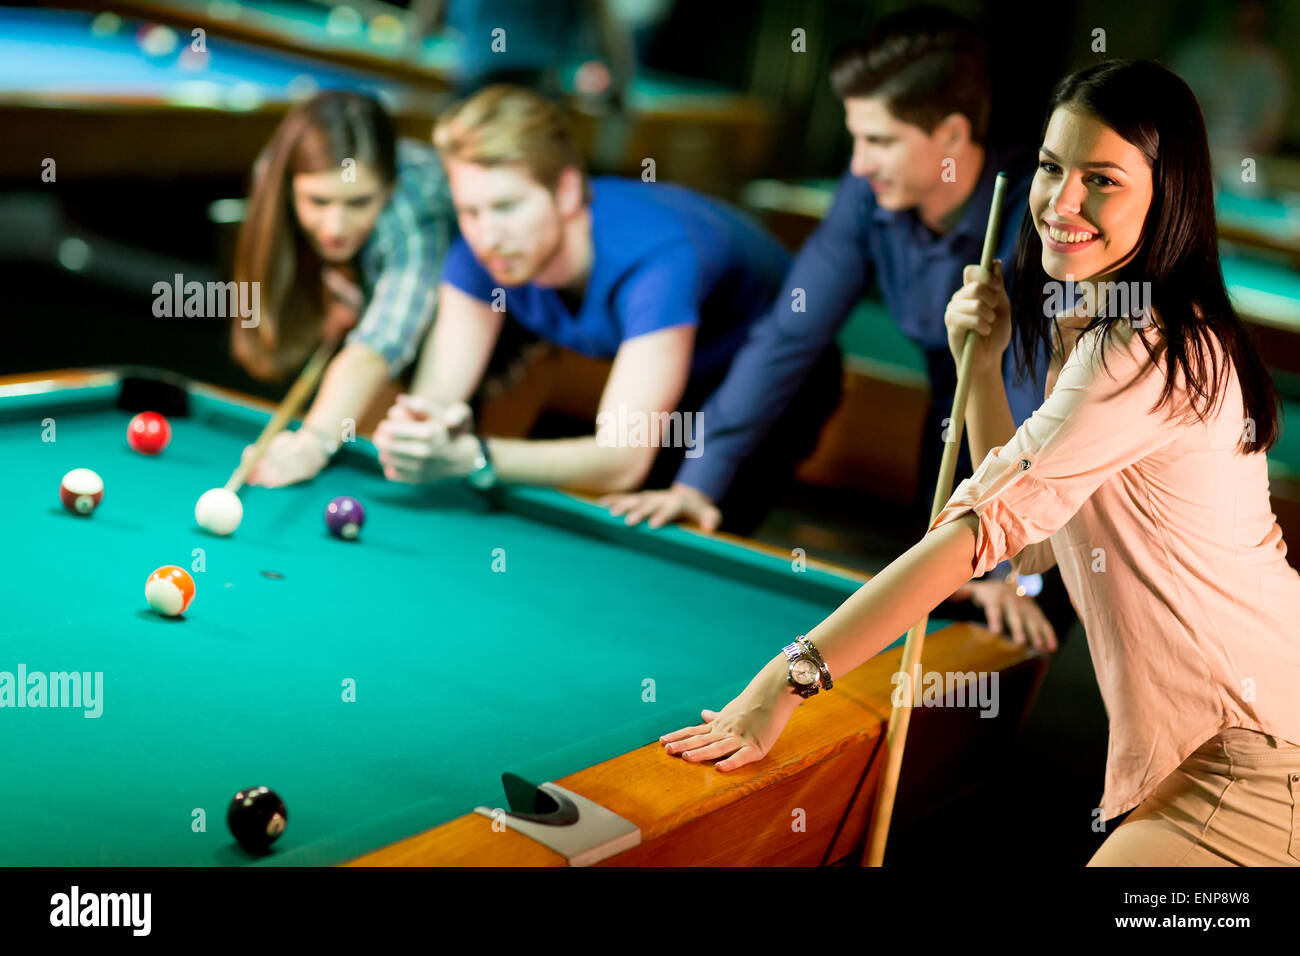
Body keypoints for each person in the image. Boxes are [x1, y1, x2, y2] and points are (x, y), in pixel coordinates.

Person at [660, 60, 1300, 867]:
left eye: (1101, 179)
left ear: (1167, 194)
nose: (1061, 202)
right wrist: (986, 364)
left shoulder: (1144, 344)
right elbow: (1032, 546)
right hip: (1247, 739)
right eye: (1051, 167)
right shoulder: (1135, 326)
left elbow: (978, 533)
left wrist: (782, 684)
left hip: (1255, 759)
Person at [602, 7, 1067, 649]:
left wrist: (1010, 566)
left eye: (879, 141)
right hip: (950, 417)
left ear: (954, 135)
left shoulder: (1036, 224)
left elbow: (1031, 399)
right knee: (929, 625)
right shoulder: (867, 196)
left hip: (1056, 457)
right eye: (855, 139)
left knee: (997, 637)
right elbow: (789, 335)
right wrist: (697, 479)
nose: (860, 163)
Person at [371, 84, 839, 528]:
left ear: (568, 191)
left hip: (775, 383)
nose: (487, 235)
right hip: (667, 365)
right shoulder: (483, 251)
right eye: (470, 211)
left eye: (507, 207)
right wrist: (420, 430)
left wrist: (475, 456)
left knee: (671, 528)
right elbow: (434, 397)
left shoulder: (657, 263)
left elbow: (621, 459)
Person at [231, 90, 455, 487]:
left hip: (497, 348)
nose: (335, 227)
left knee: (401, 451)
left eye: (358, 202)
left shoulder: (416, 209)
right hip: (397, 334)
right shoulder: (275, 167)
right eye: (318, 200)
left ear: (389, 186)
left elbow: (380, 343)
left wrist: (314, 441)